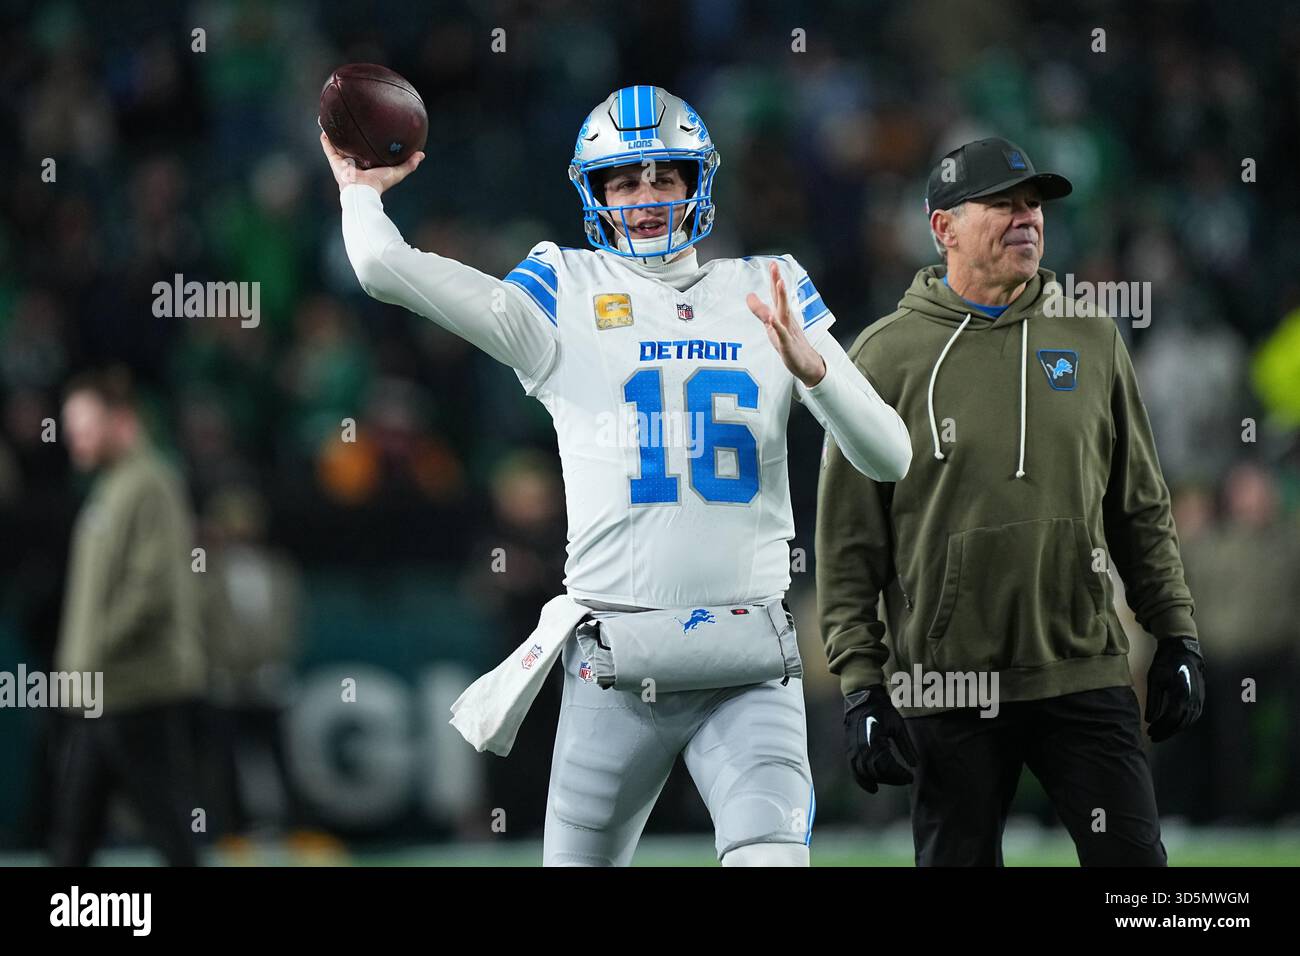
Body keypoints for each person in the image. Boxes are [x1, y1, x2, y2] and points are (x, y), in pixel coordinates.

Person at [322, 85, 911, 866]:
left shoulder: (766, 288)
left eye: (662, 176)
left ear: (696, 181)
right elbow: (383, 268)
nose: (643, 198)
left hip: (746, 662)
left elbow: (891, 456)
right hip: (613, 664)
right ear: (595, 192)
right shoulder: (565, 289)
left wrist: (817, 376)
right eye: (623, 180)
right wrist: (360, 193)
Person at [816, 137, 1205, 866]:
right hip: (947, 685)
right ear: (943, 228)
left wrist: (1176, 632)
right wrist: (862, 688)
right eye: (1002, 203)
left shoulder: (1091, 334)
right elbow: (847, 544)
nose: (1027, 217)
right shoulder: (881, 356)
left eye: (1033, 203)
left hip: (1083, 669)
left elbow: (1140, 505)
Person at [51, 367, 205, 866]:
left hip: (136, 690)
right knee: (75, 834)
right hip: (104, 693)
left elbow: (150, 589)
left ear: (121, 421)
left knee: (167, 831)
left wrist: (91, 652)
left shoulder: (149, 482)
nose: (75, 435)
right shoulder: (114, 484)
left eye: (84, 423)